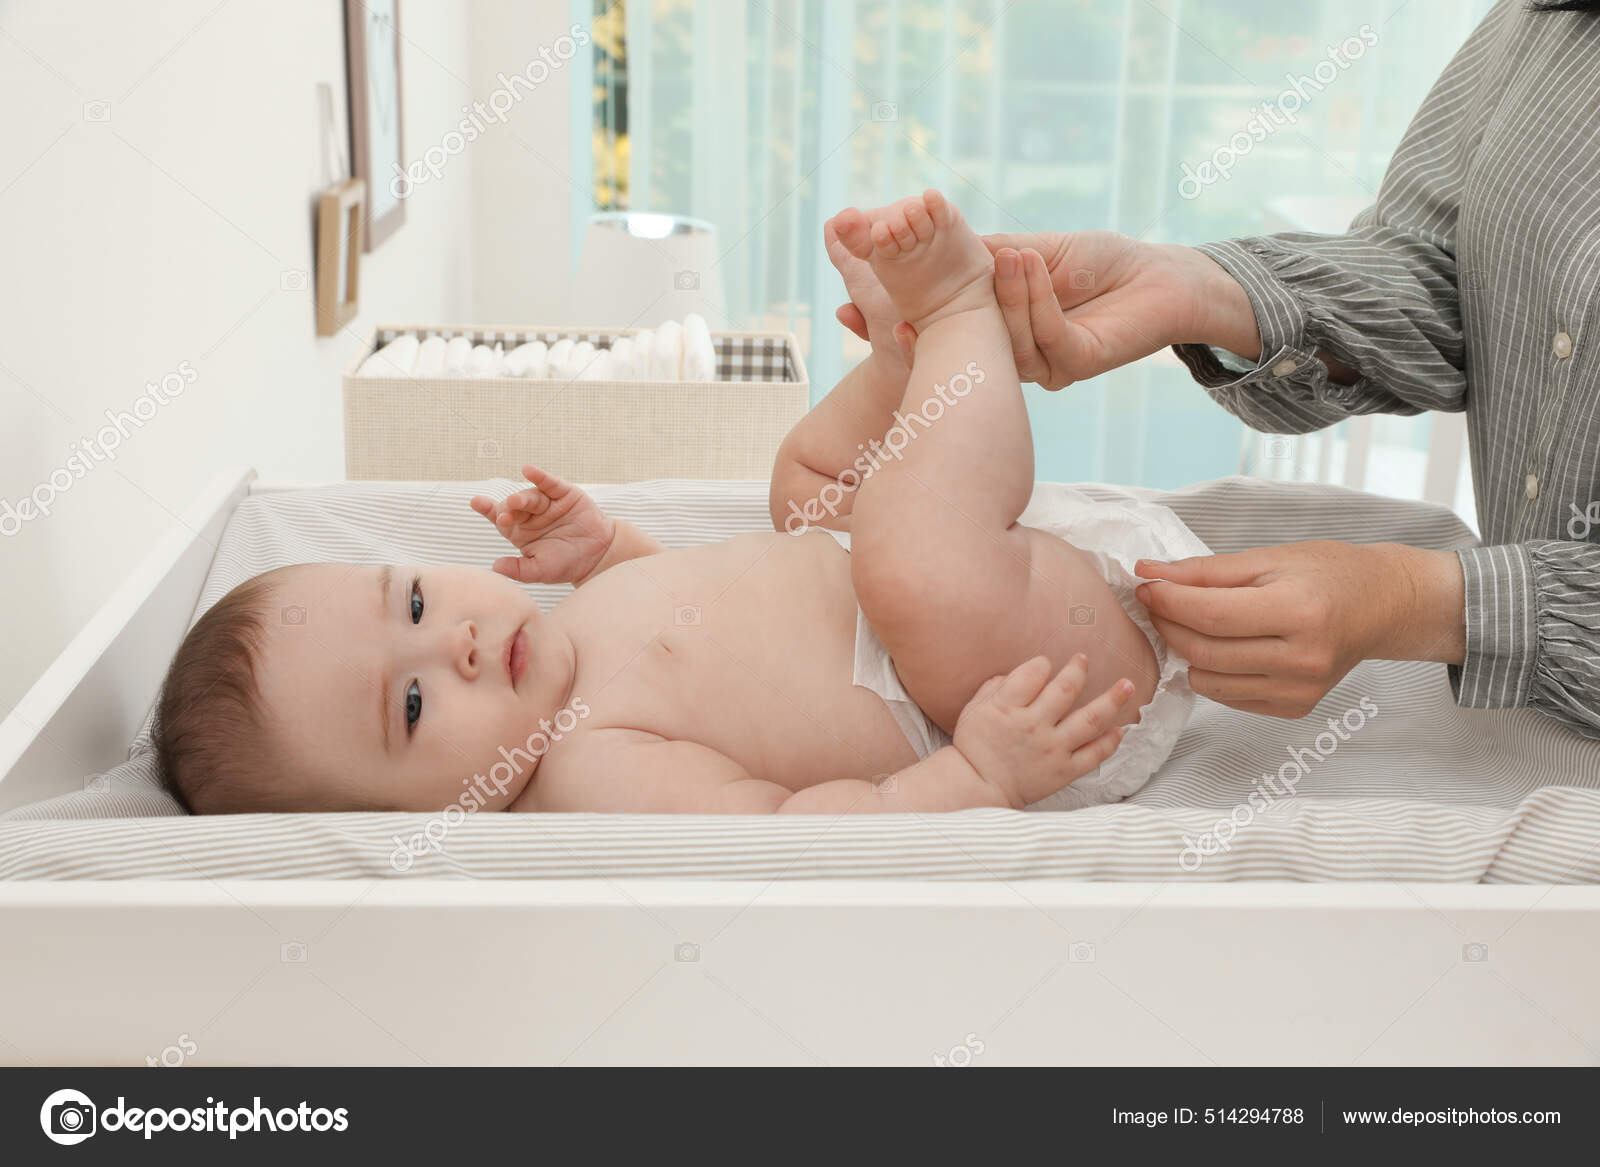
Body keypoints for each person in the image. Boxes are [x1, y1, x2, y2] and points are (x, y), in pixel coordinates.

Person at [154, 190, 1201, 817]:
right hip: (1012, 688)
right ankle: (961, 315)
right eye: (415, 706)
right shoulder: (588, 778)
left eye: (418, 605)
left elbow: (686, 623)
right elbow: (796, 829)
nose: (457, 647)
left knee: (797, 488)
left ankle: (903, 362)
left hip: (955, 583)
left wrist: (609, 550)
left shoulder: (559, 644)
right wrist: (976, 775)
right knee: (907, 560)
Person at [843, 0, 1600, 734]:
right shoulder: (1541, 25)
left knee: (920, 561)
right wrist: (1200, 289)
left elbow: (918, 559)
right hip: (1514, 718)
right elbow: (1442, 274)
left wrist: (1423, 603)